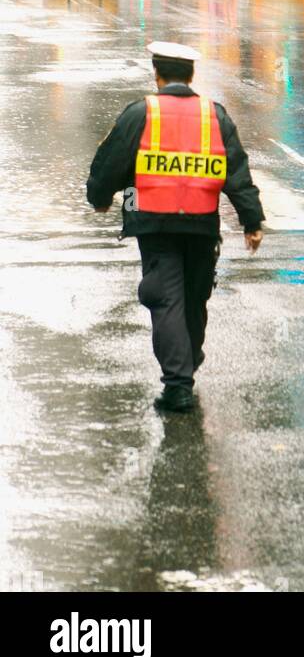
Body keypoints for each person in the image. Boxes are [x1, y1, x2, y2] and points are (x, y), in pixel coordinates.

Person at [86, 42, 266, 413]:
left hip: (154, 224)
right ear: (191, 76)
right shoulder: (213, 115)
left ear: (157, 74)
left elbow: (111, 161)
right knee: (194, 297)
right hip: (201, 224)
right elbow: (237, 169)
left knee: (167, 298)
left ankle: (179, 381)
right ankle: (183, 370)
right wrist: (251, 220)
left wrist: (99, 197)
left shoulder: (141, 112)